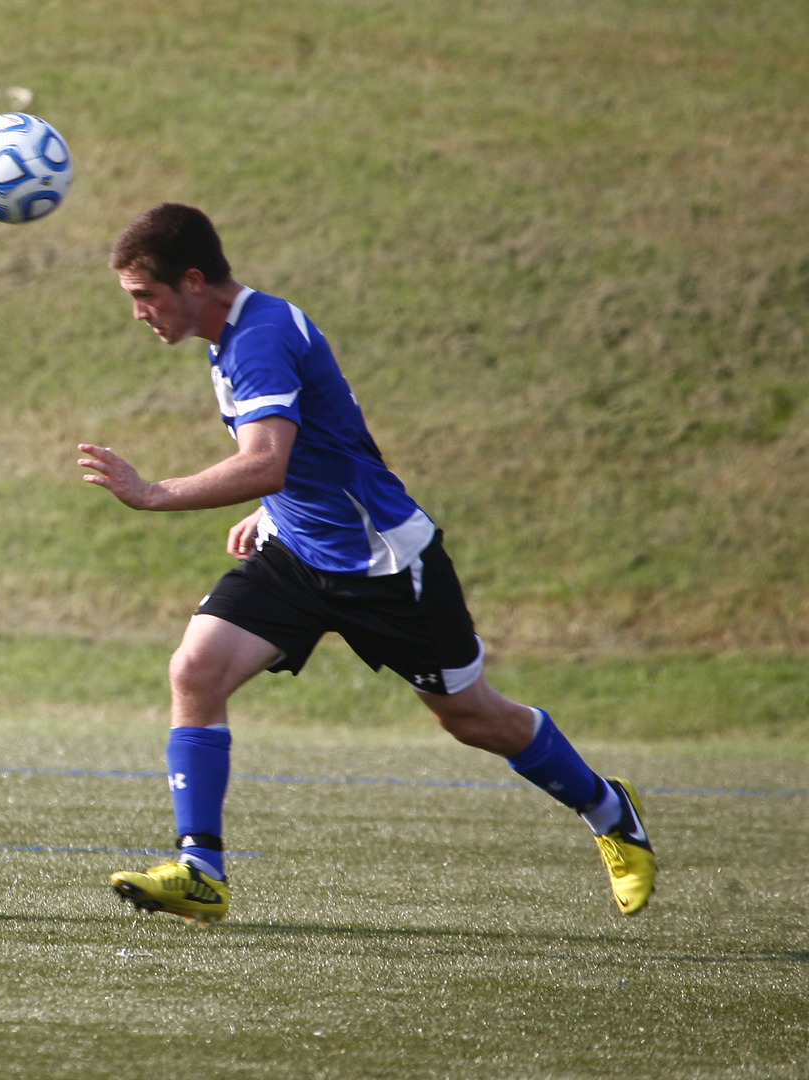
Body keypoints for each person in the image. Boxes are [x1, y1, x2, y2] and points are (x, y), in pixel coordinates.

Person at [77, 203, 655, 924]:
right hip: (298, 552)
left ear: (193, 280)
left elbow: (265, 462)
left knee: (474, 718)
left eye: (145, 295)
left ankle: (609, 809)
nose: (139, 313)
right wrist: (271, 512)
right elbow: (318, 441)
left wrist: (153, 493)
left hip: (383, 566)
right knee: (195, 669)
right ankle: (202, 871)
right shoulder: (235, 332)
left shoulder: (256, 339)